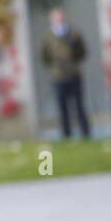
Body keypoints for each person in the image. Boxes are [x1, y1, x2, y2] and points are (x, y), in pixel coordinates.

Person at [40, 7, 90, 139]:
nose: (59, 20)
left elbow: (82, 52)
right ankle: (66, 134)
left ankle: (85, 132)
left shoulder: (74, 33)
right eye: (56, 17)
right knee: (62, 107)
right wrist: (56, 65)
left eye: (60, 17)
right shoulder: (48, 36)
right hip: (58, 76)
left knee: (79, 105)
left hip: (74, 74)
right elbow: (45, 57)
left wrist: (72, 61)